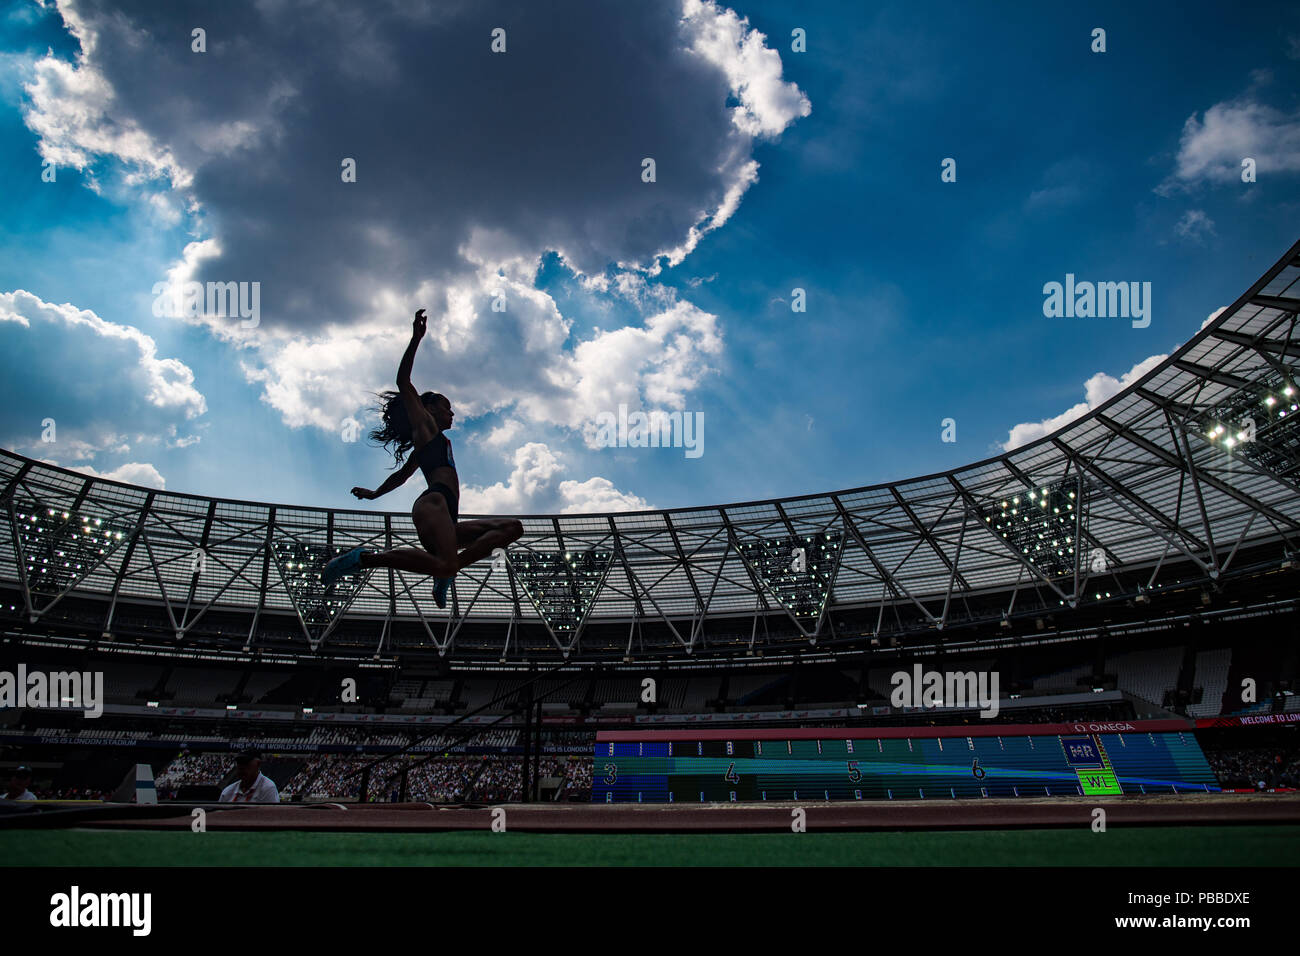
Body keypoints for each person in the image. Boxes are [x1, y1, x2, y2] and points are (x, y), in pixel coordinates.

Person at [323, 309, 524, 607]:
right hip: (434, 504)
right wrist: (416, 339)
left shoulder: (434, 442)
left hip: (448, 515)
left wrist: (375, 493)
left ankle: (448, 570)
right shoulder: (425, 426)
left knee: (512, 528)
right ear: (427, 409)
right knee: (446, 564)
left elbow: (403, 475)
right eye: (447, 407)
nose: (452, 413)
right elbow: (403, 381)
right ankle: (363, 559)